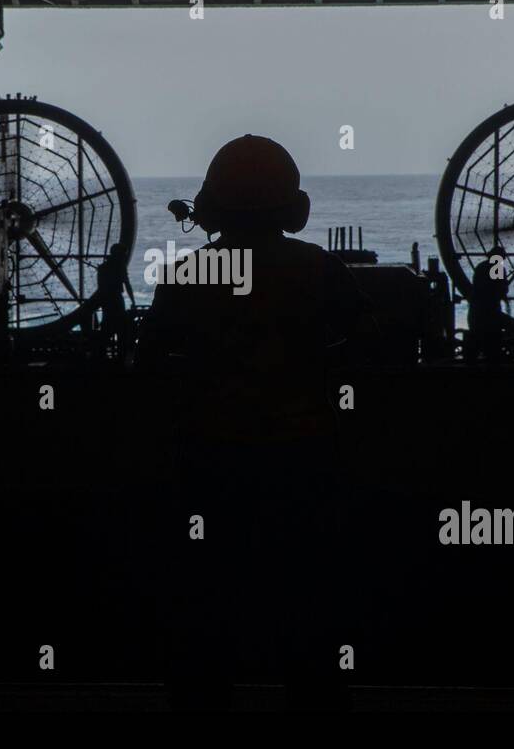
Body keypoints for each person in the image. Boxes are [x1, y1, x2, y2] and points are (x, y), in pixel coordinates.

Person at [135, 134, 372, 710]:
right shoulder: (320, 268)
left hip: (209, 462)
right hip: (304, 460)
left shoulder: (186, 274)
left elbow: (149, 366)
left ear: (211, 206)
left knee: (204, 611)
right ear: (293, 208)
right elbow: (365, 349)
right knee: (309, 611)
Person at [90, 242, 134, 357]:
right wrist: (133, 301)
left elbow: (101, 288)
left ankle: (100, 354)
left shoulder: (103, 268)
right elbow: (127, 284)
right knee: (121, 328)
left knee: (107, 327)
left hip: (106, 300)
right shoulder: (120, 266)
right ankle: (121, 356)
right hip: (117, 300)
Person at [466, 243, 508, 363]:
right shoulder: (497, 268)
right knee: (492, 344)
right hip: (490, 311)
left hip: (477, 309)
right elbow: (500, 288)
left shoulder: (481, 267)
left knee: (477, 338)